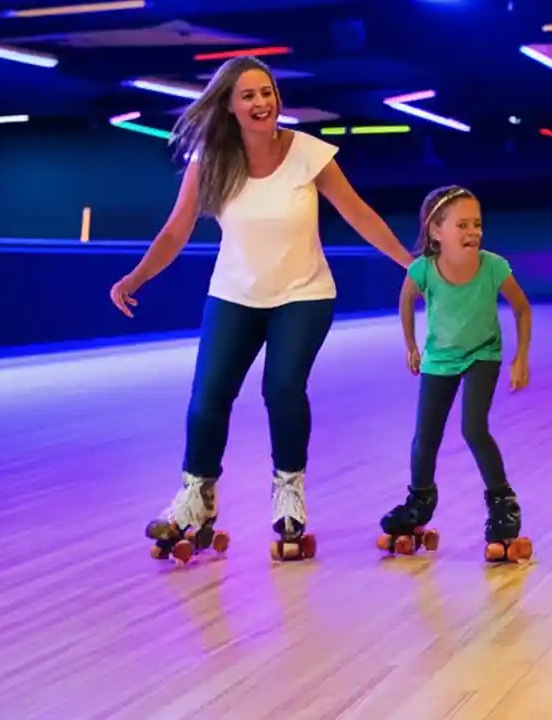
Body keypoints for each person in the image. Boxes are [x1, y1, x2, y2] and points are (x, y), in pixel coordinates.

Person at [109, 56, 414, 564]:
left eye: (267, 91)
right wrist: (135, 277)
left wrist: (411, 265)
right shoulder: (209, 161)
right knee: (208, 398)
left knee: (282, 387)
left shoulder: (309, 154)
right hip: (234, 295)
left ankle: (288, 489)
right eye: (248, 94)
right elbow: (176, 230)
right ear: (229, 105)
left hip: (304, 294)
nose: (261, 102)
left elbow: (357, 211)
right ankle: (196, 496)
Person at [377, 185, 535, 564]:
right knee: (425, 435)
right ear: (436, 232)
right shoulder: (423, 270)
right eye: (462, 224)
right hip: (440, 359)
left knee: (473, 428)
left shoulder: (494, 266)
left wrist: (521, 358)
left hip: (483, 354)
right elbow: (405, 299)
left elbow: (522, 309)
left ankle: (502, 503)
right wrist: (411, 345)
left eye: (477, 224)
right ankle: (419, 500)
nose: (473, 232)